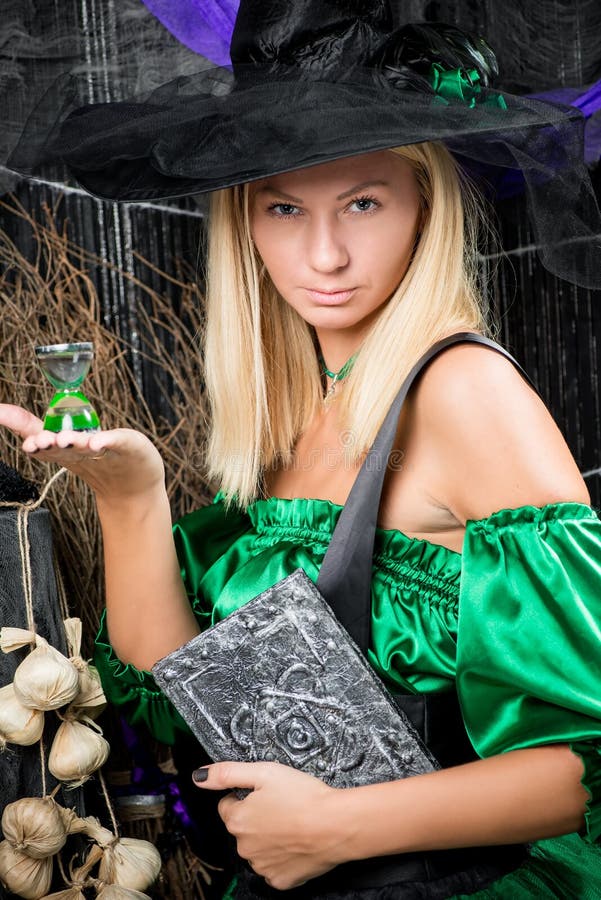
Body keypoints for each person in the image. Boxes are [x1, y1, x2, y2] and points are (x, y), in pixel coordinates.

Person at [2, 2, 601, 898]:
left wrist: (337, 826)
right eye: (285, 208)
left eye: (363, 202)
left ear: (424, 209)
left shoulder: (465, 395)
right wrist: (131, 494)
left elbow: (581, 767)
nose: (323, 254)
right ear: (244, 223)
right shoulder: (299, 414)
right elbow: (198, 685)